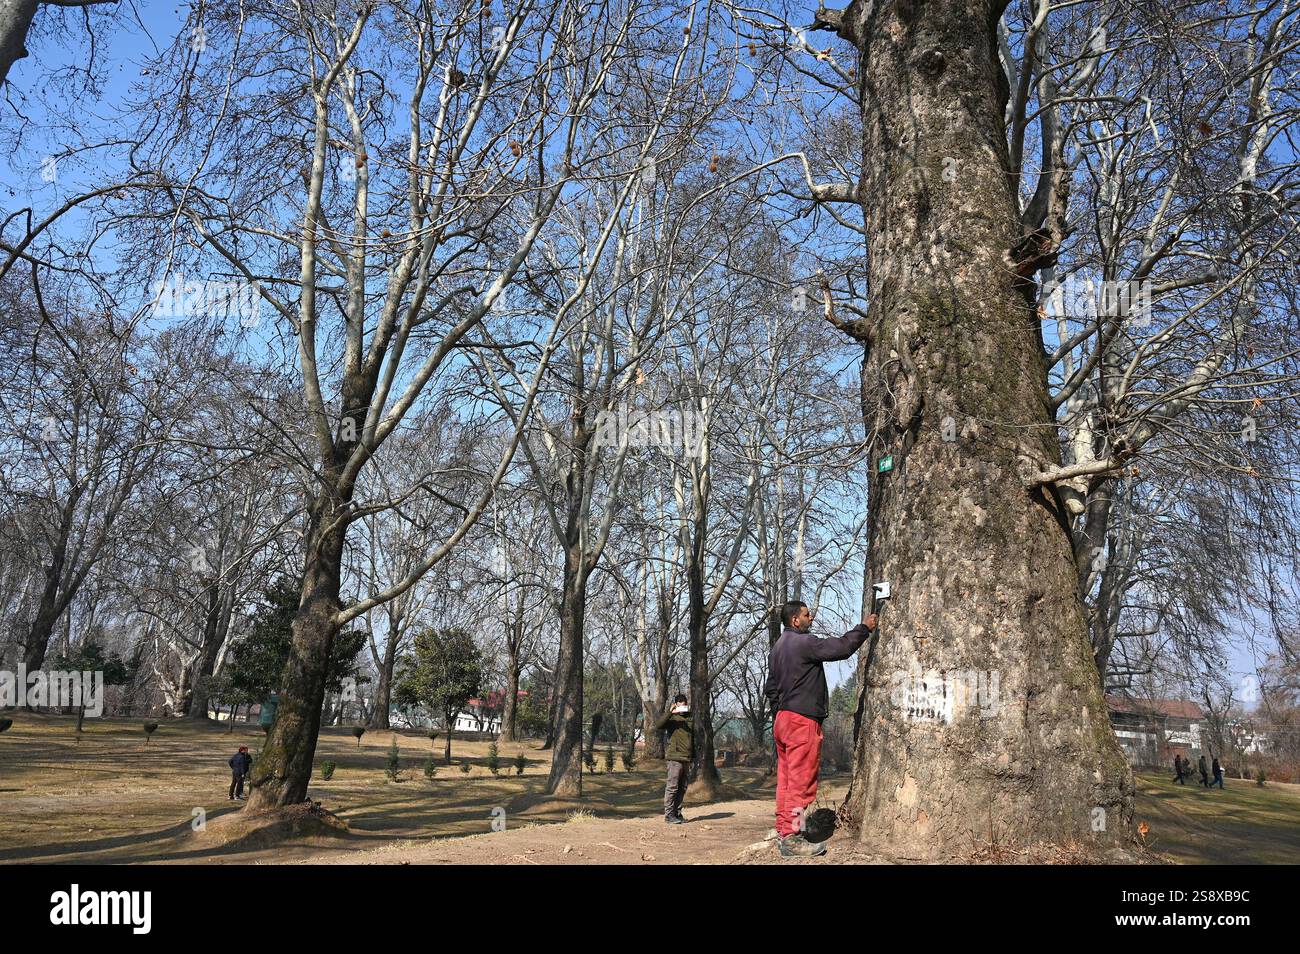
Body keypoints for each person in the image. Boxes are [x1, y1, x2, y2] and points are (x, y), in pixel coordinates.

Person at [764, 600, 877, 858]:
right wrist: (864, 628)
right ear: (795, 620)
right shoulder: (803, 643)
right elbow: (841, 647)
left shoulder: (777, 648)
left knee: (787, 781)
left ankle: (786, 830)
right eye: (807, 615)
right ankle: (793, 838)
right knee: (801, 783)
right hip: (801, 721)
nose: (811, 618)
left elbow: (770, 688)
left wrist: (780, 712)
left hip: (783, 720)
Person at [653, 693, 694, 824]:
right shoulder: (671, 719)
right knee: (672, 787)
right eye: (680, 702)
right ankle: (669, 815)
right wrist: (669, 712)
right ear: (676, 704)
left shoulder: (690, 718)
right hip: (674, 758)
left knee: (682, 788)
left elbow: (694, 738)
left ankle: (677, 813)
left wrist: (694, 757)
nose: (682, 704)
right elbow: (658, 725)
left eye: (684, 702)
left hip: (687, 758)